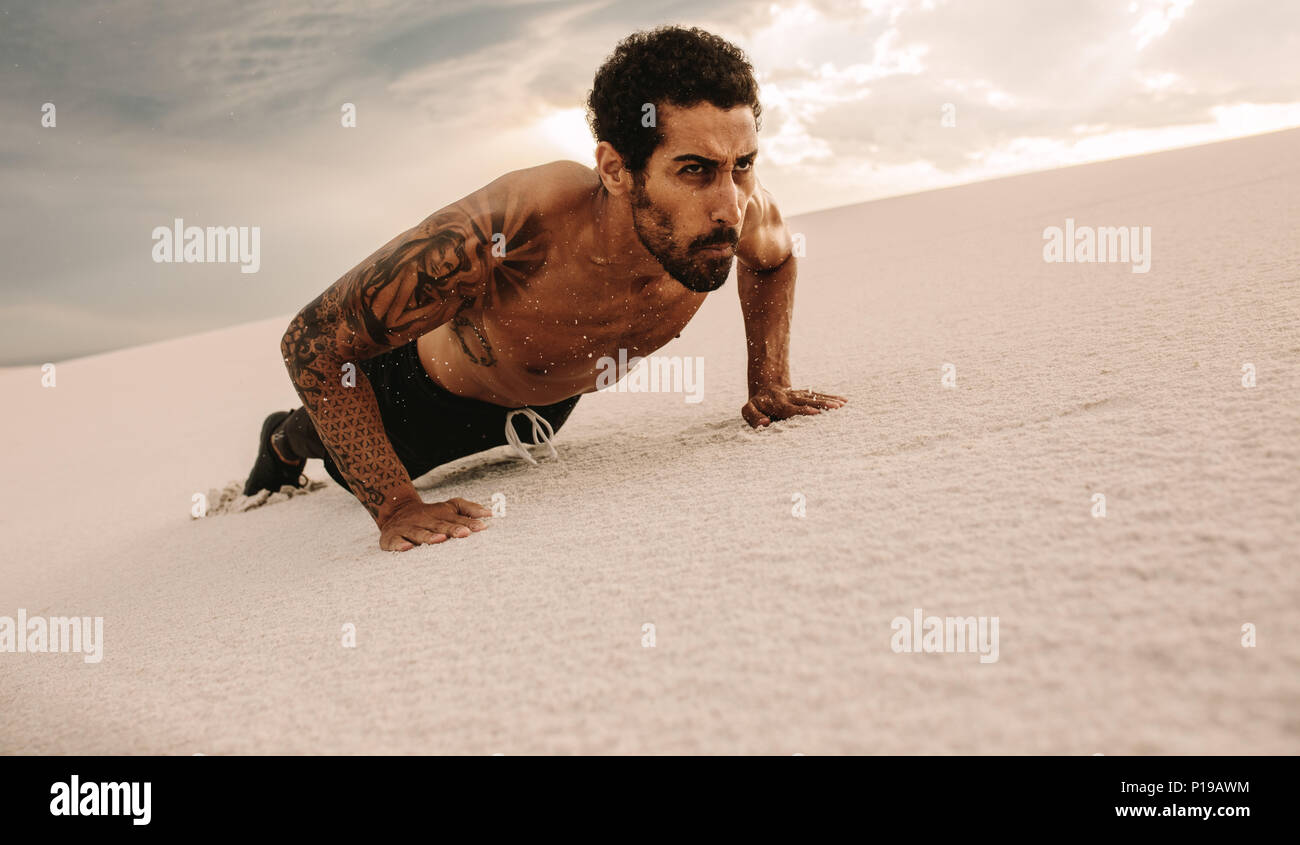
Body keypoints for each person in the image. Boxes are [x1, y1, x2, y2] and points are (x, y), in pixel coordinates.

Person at [244, 25, 847, 551]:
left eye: (742, 163)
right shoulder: (521, 224)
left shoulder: (738, 206)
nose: (730, 206)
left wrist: (769, 383)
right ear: (615, 169)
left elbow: (773, 262)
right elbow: (311, 342)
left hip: (547, 406)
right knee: (318, 442)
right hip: (420, 397)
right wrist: (396, 507)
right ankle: (282, 442)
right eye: (693, 169)